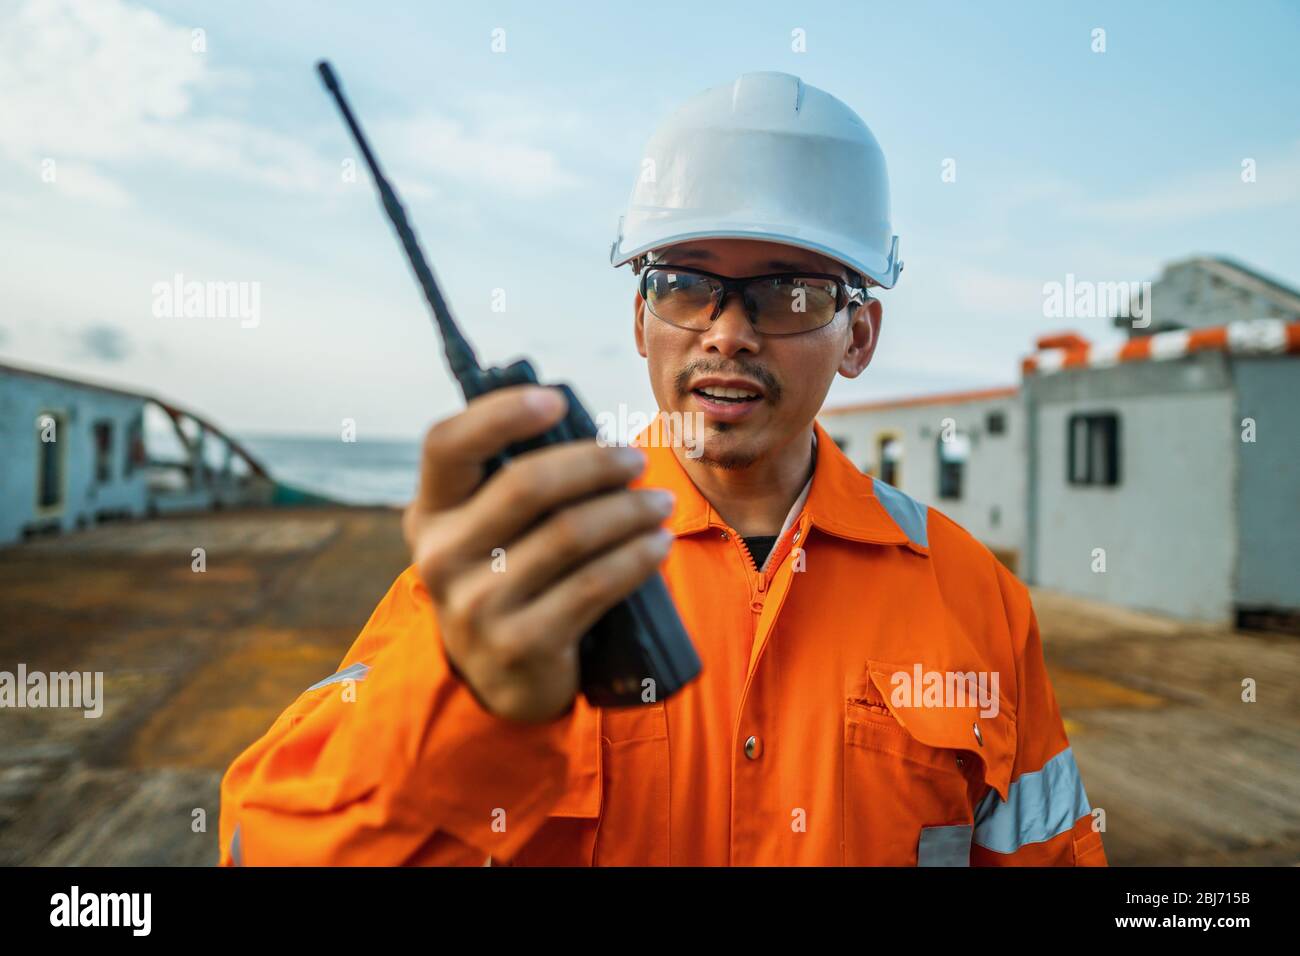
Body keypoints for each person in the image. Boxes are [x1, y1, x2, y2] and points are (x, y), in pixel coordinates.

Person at [219, 71, 1106, 866]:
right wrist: (462, 701)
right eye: (685, 282)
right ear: (641, 321)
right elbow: (266, 849)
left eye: (790, 292)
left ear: (859, 337)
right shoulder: (514, 576)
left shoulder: (977, 598)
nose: (727, 330)